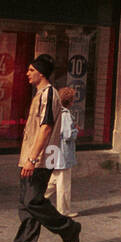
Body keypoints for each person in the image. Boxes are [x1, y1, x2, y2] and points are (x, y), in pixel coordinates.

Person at [0, 55, 81, 242]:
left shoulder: (49, 95)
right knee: (26, 205)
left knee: (33, 201)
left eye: (31, 70)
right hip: (30, 158)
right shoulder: (40, 94)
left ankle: (68, 228)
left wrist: (33, 159)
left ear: (41, 73)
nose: (27, 73)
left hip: (41, 159)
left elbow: (46, 128)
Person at [44, 84, 78, 218]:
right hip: (63, 153)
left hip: (54, 151)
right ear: (69, 101)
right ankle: (63, 210)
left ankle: (37, 199)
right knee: (64, 183)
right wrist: (76, 131)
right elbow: (68, 135)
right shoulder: (66, 115)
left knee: (53, 180)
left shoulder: (55, 112)